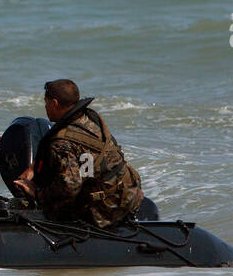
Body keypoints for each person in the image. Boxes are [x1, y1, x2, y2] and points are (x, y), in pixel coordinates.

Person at [12, 79, 143, 228]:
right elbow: (83, 152)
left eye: (46, 102)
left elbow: (70, 187)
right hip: (129, 194)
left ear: (54, 103)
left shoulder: (61, 142)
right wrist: (34, 167)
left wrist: (36, 192)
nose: (46, 107)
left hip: (104, 211)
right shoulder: (90, 119)